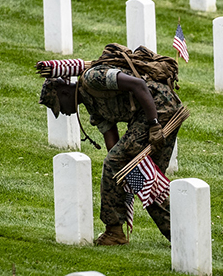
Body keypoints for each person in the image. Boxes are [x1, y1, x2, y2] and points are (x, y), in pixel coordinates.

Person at [38, 46, 183, 245]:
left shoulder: (92, 78)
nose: (63, 112)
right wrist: (122, 177)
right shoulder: (92, 107)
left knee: (118, 165)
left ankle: (114, 231)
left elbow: (139, 85)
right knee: (146, 179)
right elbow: (111, 142)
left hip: (159, 108)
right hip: (153, 115)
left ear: (64, 91)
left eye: (59, 106)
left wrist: (153, 125)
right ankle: (182, 236)